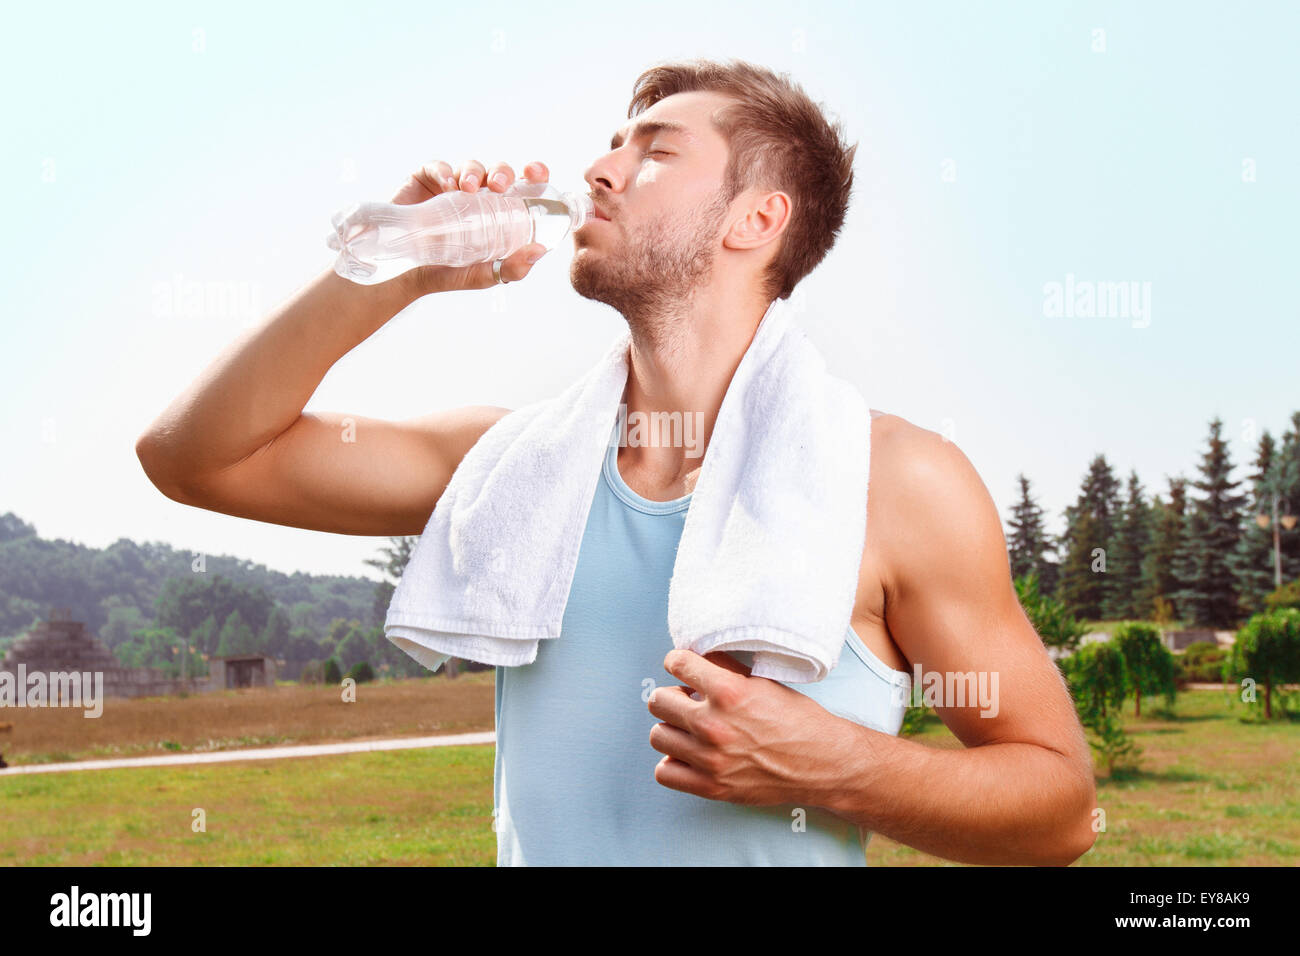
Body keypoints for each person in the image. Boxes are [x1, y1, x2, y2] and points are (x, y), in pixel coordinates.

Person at [136, 58, 1097, 866]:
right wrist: (391, 271)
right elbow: (196, 458)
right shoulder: (505, 465)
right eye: (614, 142)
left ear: (756, 219)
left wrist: (835, 766)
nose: (600, 169)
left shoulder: (893, 483)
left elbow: (1059, 806)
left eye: (655, 151)